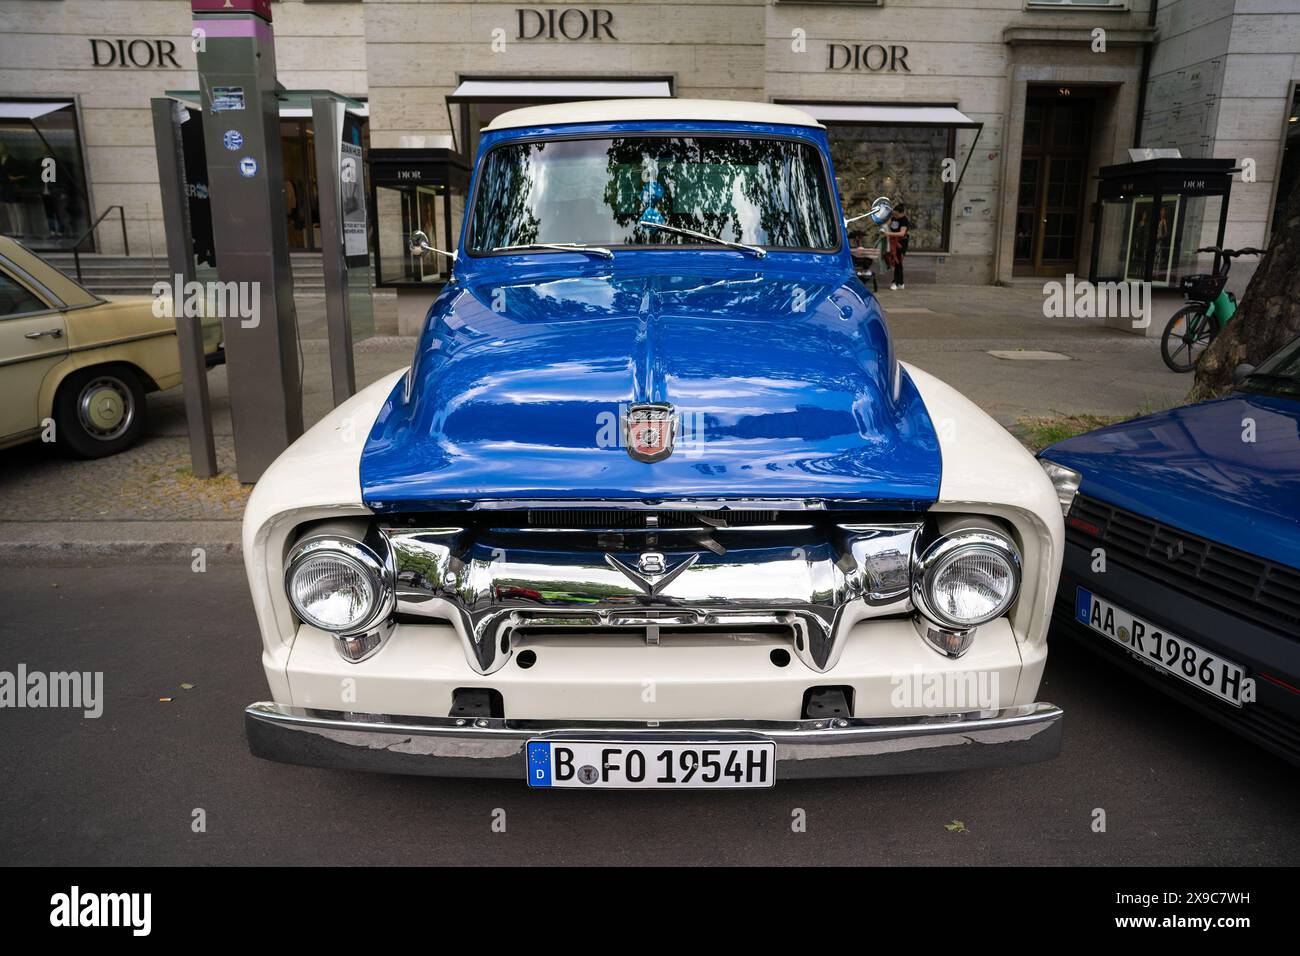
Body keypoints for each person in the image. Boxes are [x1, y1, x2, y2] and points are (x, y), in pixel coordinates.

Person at [884, 202, 909, 290]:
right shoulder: (893, 218)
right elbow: (886, 225)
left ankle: (895, 282)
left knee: (897, 261)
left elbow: (902, 233)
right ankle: (901, 282)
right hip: (893, 242)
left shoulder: (904, 220)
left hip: (901, 243)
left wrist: (888, 233)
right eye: (893, 214)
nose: (895, 216)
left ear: (901, 213)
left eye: (896, 214)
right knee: (897, 263)